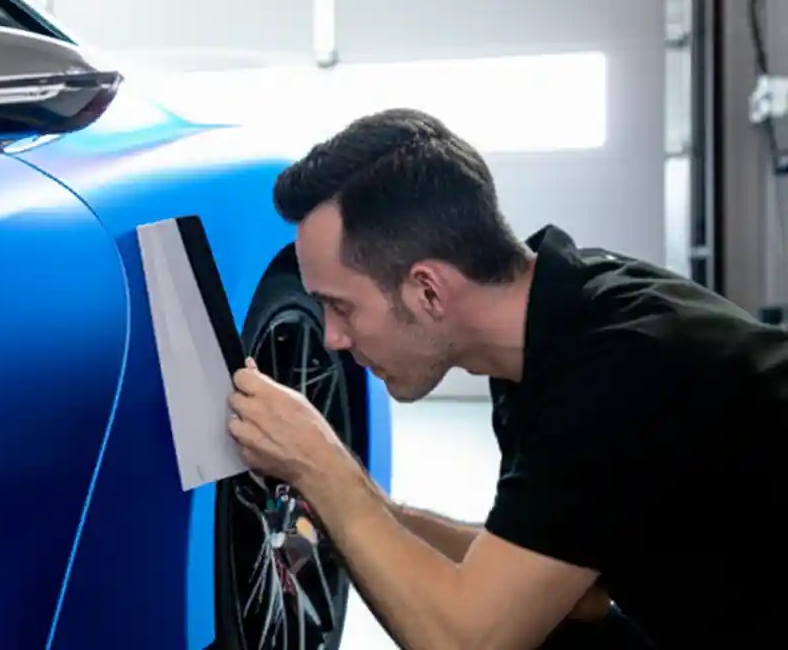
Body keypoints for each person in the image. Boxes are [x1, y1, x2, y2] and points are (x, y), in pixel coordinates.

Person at [225, 108, 787, 648]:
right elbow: (579, 595)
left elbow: (467, 642)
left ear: (428, 291)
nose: (332, 338)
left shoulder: (612, 377)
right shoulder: (553, 321)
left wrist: (320, 465)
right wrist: (369, 515)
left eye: (341, 307)